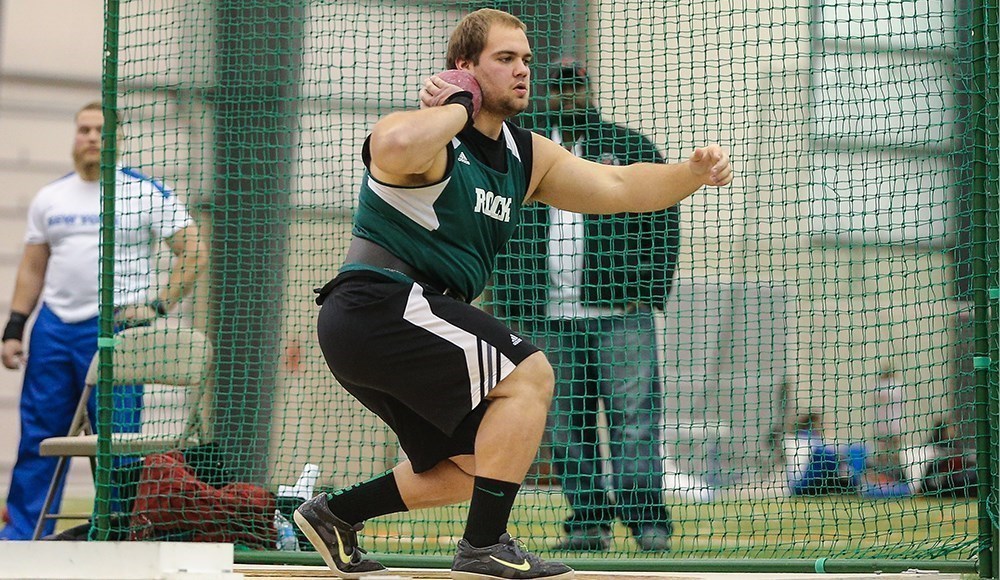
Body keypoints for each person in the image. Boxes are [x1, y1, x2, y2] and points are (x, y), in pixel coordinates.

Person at [293, 8, 731, 580]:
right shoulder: (432, 137)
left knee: (479, 463)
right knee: (532, 374)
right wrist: (456, 104)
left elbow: (620, 186)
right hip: (381, 302)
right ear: (464, 69)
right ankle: (484, 546)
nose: (523, 70)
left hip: (408, 318)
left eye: (525, 59)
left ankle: (334, 515)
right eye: (504, 59)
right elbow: (392, 146)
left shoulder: (528, 154)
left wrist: (691, 173)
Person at [491, 60, 678, 552]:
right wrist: (507, 298)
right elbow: (492, 224)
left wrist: (649, 289)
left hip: (621, 314)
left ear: (589, 91)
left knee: (635, 421)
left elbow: (663, 219)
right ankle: (588, 525)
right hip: (544, 317)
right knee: (564, 426)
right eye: (557, 88)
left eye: (574, 88)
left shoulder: (630, 147)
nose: (566, 97)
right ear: (543, 93)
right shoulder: (518, 152)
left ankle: (648, 524)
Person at [0, 101, 206, 540]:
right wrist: (15, 326)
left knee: (117, 443)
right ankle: (22, 535)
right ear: (74, 137)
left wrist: (157, 306)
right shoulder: (49, 197)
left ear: (118, 138)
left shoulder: (146, 192)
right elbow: (32, 267)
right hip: (54, 328)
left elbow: (194, 253)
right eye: (83, 129)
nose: (91, 137)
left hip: (117, 332)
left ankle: (114, 532)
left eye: (100, 130)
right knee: (39, 436)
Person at [869, 363, 905, 482]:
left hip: (894, 424)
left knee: (894, 451)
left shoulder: (896, 385)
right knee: (881, 451)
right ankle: (881, 476)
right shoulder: (879, 385)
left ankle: (897, 476)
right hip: (881, 425)